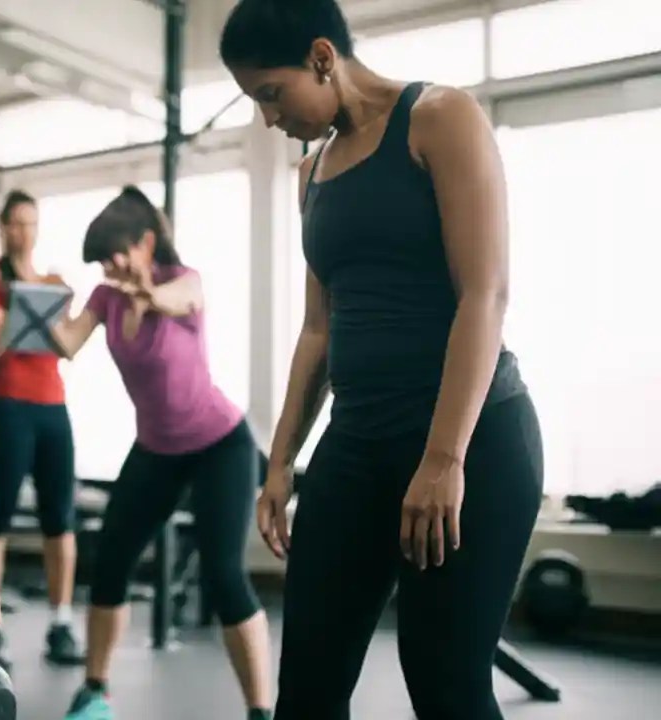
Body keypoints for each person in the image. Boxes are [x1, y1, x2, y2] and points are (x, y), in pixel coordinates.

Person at [219, 1, 542, 718]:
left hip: (475, 442)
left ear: (323, 57)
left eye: (272, 94)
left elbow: (484, 296)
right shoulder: (312, 175)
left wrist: (443, 458)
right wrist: (279, 463)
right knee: (306, 688)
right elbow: (318, 333)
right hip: (357, 446)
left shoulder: (440, 118)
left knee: (445, 684)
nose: (270, 119)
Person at [46, 186, 274, 720]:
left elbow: (181, 300)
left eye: (118, 253)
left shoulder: (183, 282)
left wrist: (148, 292)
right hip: (156, 449)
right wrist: (41, 299)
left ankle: (262, 711)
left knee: (224, 576)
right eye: (103, 260)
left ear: (148, 243)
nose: (111, 265)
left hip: (221, 445)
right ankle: (94, 691)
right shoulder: (106, 297)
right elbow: (68, 345)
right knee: (109, 564)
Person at [0, 190, 84, 667]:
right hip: (9, 405)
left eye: (31, 223)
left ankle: (60, 622)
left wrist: (46, 311)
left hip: (52, 406)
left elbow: (69, 346)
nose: (24, 232)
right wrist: (24, 302)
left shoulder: (55, 281)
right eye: (16, 223)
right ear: (3, 227)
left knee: (60, 518)